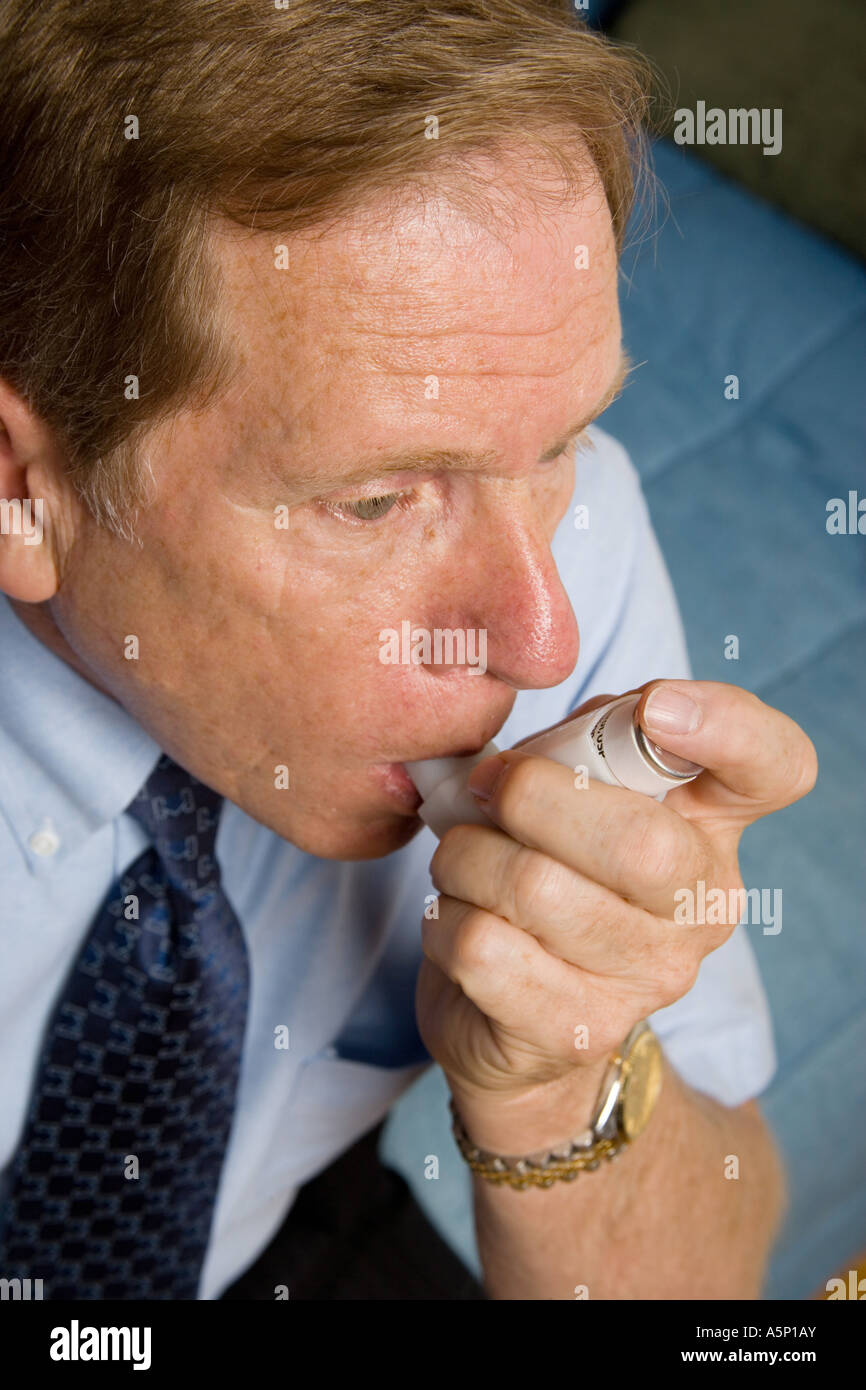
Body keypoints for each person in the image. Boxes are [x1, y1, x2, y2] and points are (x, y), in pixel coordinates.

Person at [0, 0, 814, 1300]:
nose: (539, 638)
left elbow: (703, 1279)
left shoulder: (565, 553)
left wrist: (551, 1082)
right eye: (375, 503)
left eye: (557, 445)